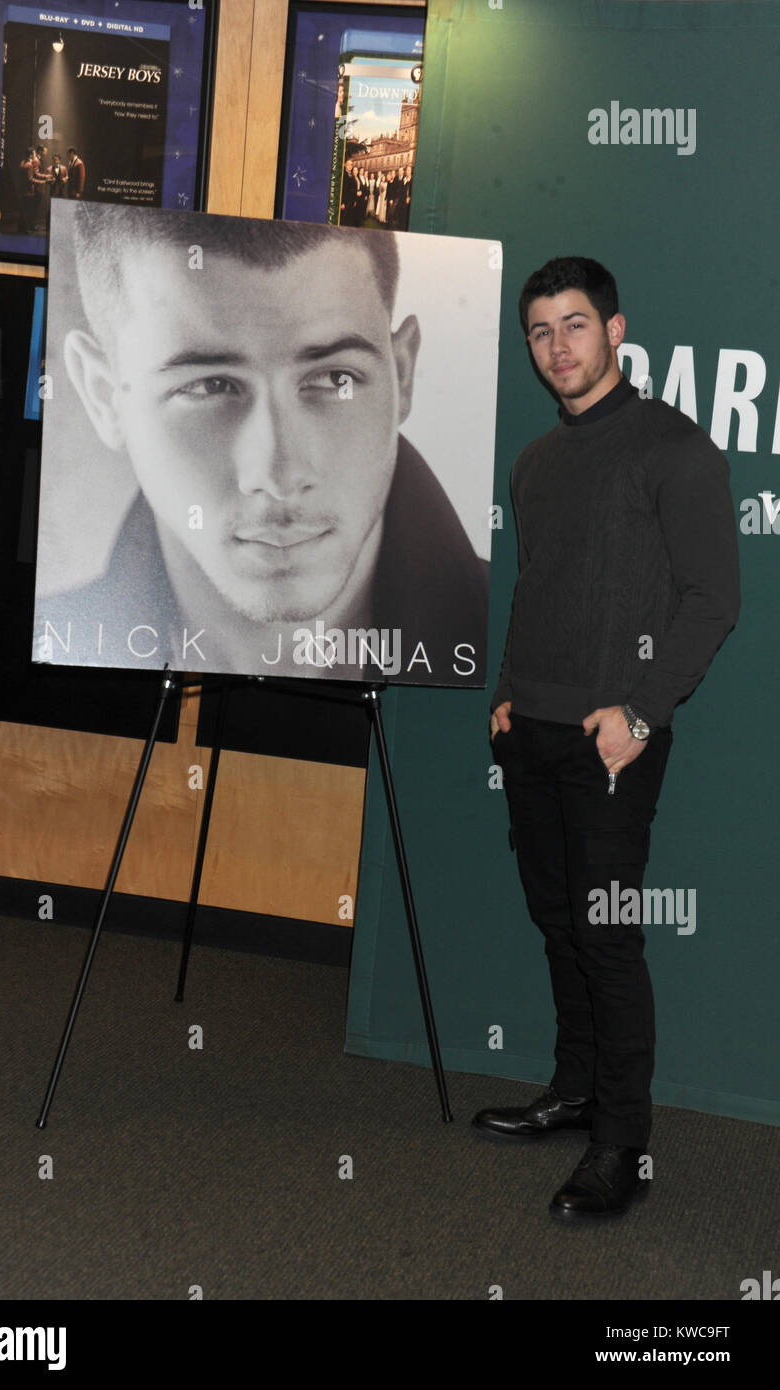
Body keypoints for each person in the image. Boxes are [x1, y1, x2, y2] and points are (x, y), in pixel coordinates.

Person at [474, 256, 740, 1221]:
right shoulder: (535, 462)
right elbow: (538, 590)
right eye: (540, 332)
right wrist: (507, 694)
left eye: (574, 326)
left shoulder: (675, 448)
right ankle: (575, 1090)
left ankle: (621, 1144)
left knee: (607, 937)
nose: (557, 348)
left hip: (611, 745)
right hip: (531, 734)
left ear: (616, 331)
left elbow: (715, 600)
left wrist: (639, 713)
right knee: (559, 927)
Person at [37, 205, 489, 684]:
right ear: (103, 396)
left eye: (336, 378)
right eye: (208, 387)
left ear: (402, 375)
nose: (279, 474)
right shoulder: (47, 659)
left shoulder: (519, 650)